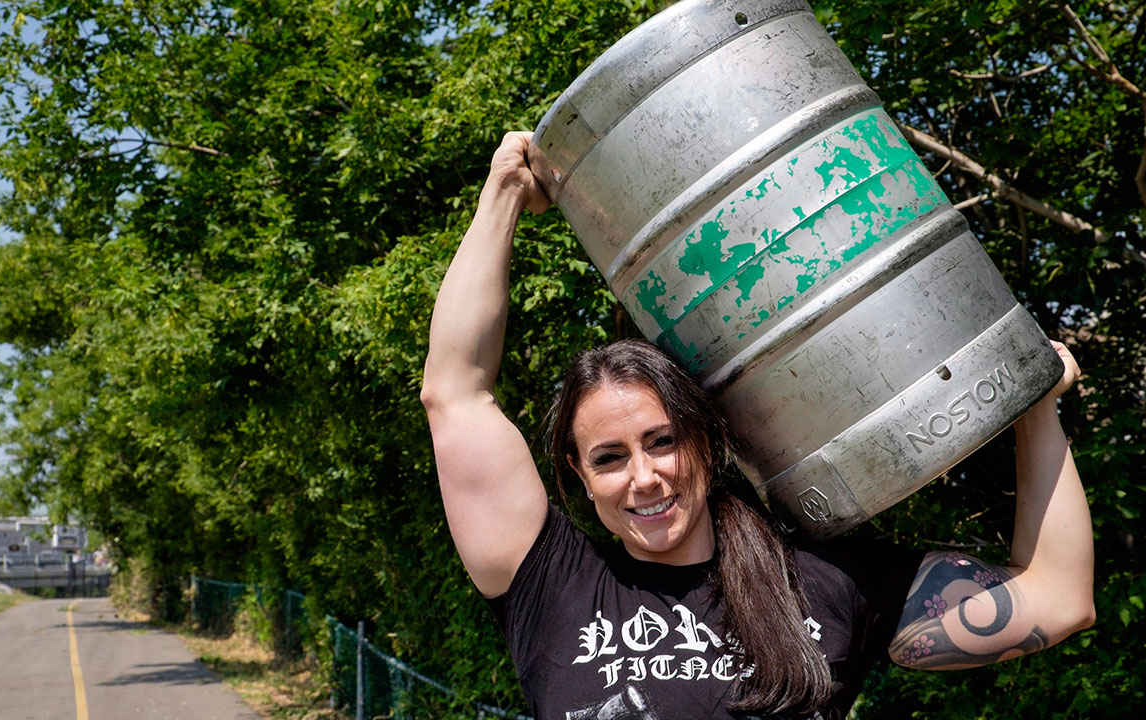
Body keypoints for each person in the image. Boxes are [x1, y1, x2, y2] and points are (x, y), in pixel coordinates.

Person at [420, 132, 1095, 719]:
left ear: (707, 448)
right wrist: (504, 191)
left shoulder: (825, 583)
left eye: (662, 442)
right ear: (579, 474)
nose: (645, 477)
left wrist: (1033, 402)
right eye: (610, 457)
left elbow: (1059, 600)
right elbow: (453, 392)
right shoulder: (552, 586)